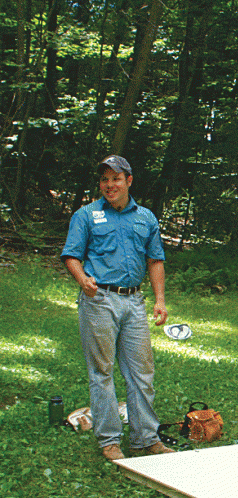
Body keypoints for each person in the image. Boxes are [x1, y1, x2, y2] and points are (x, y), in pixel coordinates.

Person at [61, 155, 174, 462]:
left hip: (135, 301)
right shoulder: (86, 215)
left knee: (142, 372)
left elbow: (155, 260)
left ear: (129, 181)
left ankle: (145, 439)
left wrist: (160, 300)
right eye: (104, 180)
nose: (109, 185)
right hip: (99, 300)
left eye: (116, 179)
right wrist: (83, 279)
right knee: (102, 372)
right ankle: (110, 440)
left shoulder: (146, 218)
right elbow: (71, 256)